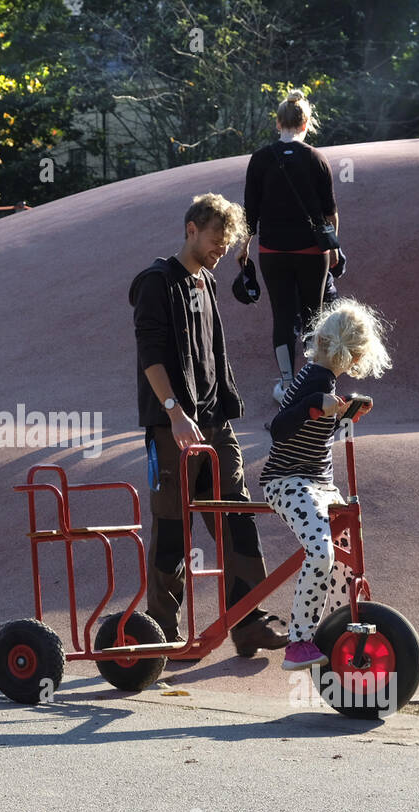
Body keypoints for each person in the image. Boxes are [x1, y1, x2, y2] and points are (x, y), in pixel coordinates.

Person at [131, 193, 285, 658]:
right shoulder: (156, 282)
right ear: (191, 228)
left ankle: (248, 619)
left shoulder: (208, 283)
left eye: (228, 241)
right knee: (173, 529)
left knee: (236, 518)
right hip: (173, 425)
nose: (223, 249)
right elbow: (150, 355)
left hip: (216, 424)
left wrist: (215, 413)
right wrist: (175, 413)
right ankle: (159, 631)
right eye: (217, 239)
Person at [259, 299, 391, 670]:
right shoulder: (315, 380)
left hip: (316, 482)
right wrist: (316, 405)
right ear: (355, 353)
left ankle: (334, 631)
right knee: (323, 554)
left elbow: (312, 432)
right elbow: (281, 428)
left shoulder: (323, 380)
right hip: (288, 482)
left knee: (345, 560)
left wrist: (343, 412)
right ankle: (300, 641)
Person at [240, 90, 340, 404]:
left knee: (282, 316)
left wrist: (244, 247)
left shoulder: (259, 159)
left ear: (278, 123)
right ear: (306, 123)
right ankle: (313, 381)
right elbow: (329, 212)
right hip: (312, 251)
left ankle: (286, 386)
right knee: (314, 315)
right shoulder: (316, 158)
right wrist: (334, 247)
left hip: (272, 251)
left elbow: (250, 211)